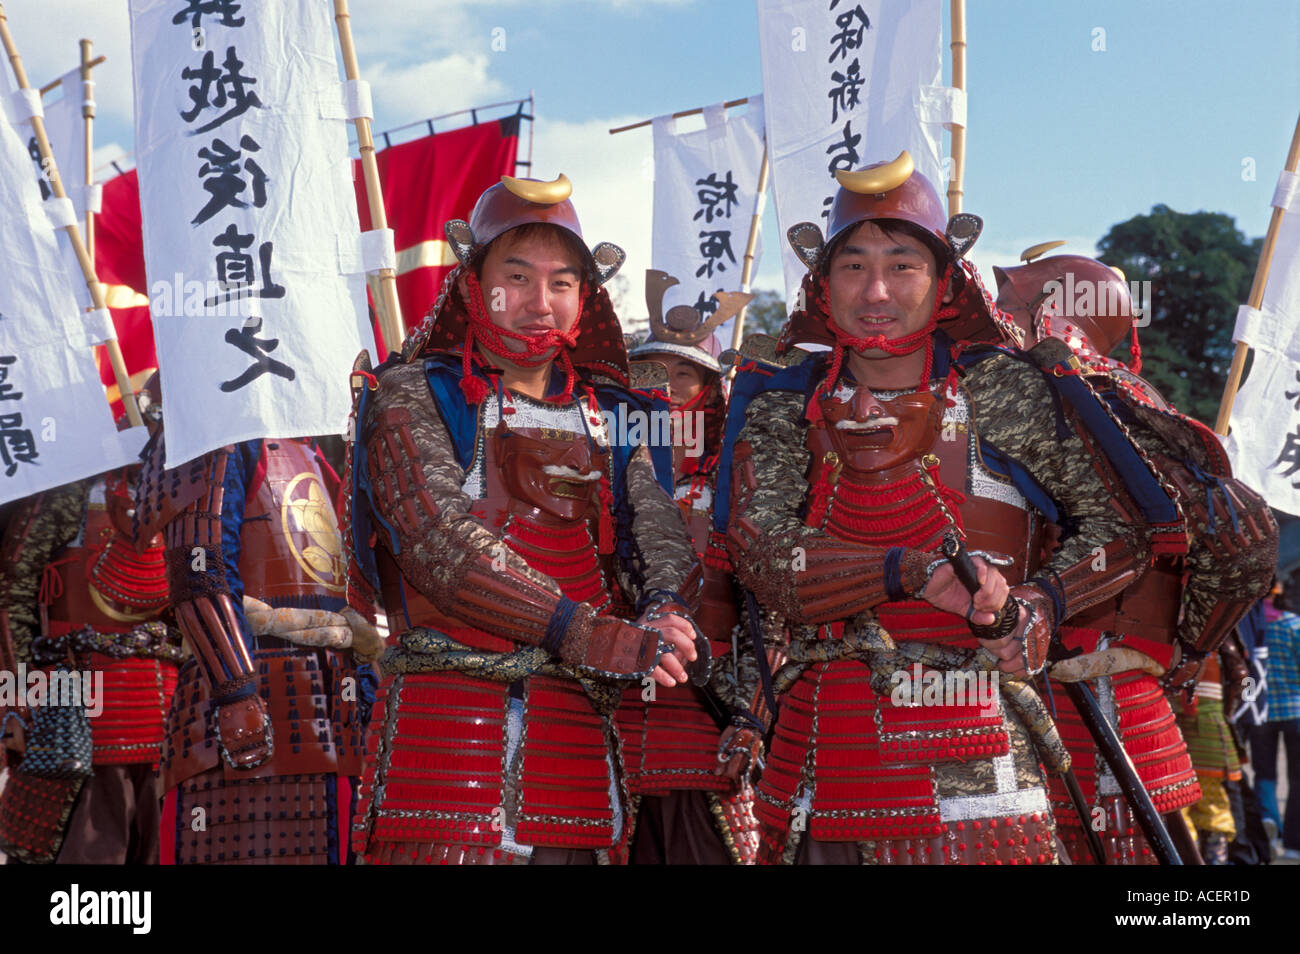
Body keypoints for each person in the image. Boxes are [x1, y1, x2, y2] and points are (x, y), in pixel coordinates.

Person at [718, 152, 1152, 865]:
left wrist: (1039, 606)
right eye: (853, 265)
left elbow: (1121, 529)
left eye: (903, 264)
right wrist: (910, 573)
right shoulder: (784, 403)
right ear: (823, 285)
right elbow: (763, 555)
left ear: (945, 279)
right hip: (824, 743)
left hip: (978, 739)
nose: (877, 289)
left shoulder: (1003, 389)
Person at [347, 174, 702, 865]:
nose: (541, 303)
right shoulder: (412, 394)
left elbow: (658, 534)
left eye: (562, 283)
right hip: (448, 735)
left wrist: (662, 609)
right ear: (475, 283)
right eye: (518, 276)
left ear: (584, 297)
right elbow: (438, 542)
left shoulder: (617, 415)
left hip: (576, 738)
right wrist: (581, 629)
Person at [994, 253, 1277, 863]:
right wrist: (1189, 648)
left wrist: (1187, 650)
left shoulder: (1099, 398)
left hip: (1091, 680)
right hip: (1002, 682)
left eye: (1013, 305)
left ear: (1052, 313)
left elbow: (1240, 539)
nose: (998, 316)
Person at [134, 376, 379, 864]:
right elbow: (199, 574)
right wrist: (236, 695)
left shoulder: (314, 447)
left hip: (336, 707)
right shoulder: (212, 427)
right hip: (249, 705)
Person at [0, 404, 183, 863]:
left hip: (167, 702)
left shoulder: (182, 487)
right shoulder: (66, 490)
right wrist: (15, 701)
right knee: (89, 852)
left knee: (164, 847)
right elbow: (12, 591)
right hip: (69, 695)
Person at [617, 273, 758, 864]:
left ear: (710, 388)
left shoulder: (739, 484)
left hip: (713, 697)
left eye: (682, 374)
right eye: (649, 374)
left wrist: (753, 706)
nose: (666, 388)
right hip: (617, 694)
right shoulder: (601, 472)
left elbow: (766, 606)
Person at [1253, 578, 1300, 860]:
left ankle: (1268, 821)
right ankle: (1294, 844)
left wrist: (1246, 704)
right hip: (1296, 709)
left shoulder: (1251, 627)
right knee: (1298, 778)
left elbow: (1246, 672)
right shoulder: (1294, 625)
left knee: (1265, 774)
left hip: (1260, 711)